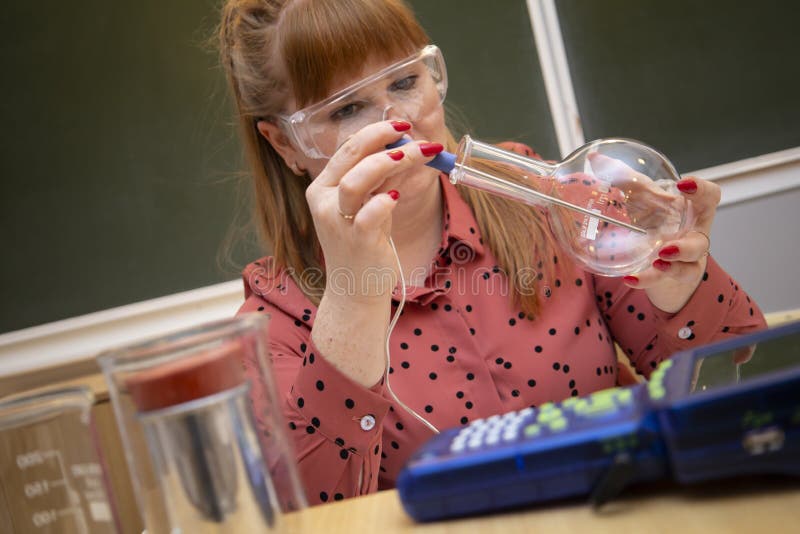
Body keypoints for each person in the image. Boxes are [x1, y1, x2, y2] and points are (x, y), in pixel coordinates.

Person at [218, 0, 766, 506]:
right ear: (285, 144)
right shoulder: (274, 322)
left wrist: (679, 291)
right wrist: (353, 299)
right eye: (348, 109)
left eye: (406, 81)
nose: (395, 125)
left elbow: (745, 390)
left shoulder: (544, 200)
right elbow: (304, 511)